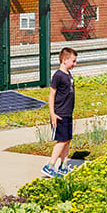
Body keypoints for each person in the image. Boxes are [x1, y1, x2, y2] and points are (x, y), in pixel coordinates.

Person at [44, 46, 78, 177]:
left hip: (68, 113)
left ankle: (63, 166)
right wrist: (52, 113)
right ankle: (50, 166)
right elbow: (51, 95)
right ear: (64, 60)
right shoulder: (58, 75)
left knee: (67, 140)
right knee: (61, 140)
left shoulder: (68, 74)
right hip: (60, 114)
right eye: (73, 61)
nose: (75, 64)